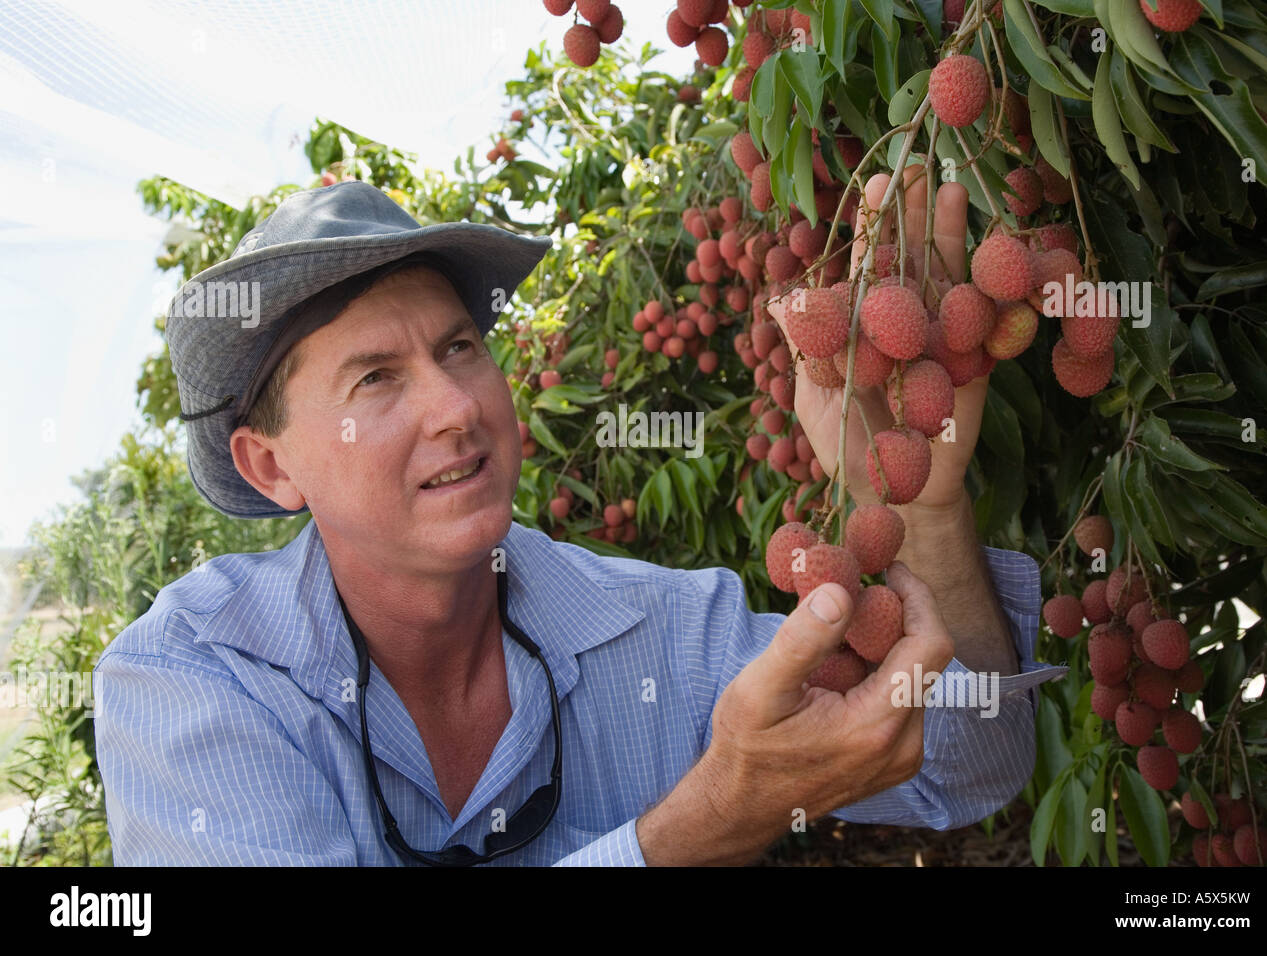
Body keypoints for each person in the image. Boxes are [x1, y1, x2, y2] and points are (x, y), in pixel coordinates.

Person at [93, 179, 1066, 866]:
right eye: (376, 377)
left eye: (460, 347)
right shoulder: (195, 678)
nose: (457, 406)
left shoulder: (660, 629)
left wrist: (916, 510)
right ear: (272, 466)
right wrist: (694, 830)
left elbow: (965, 766)